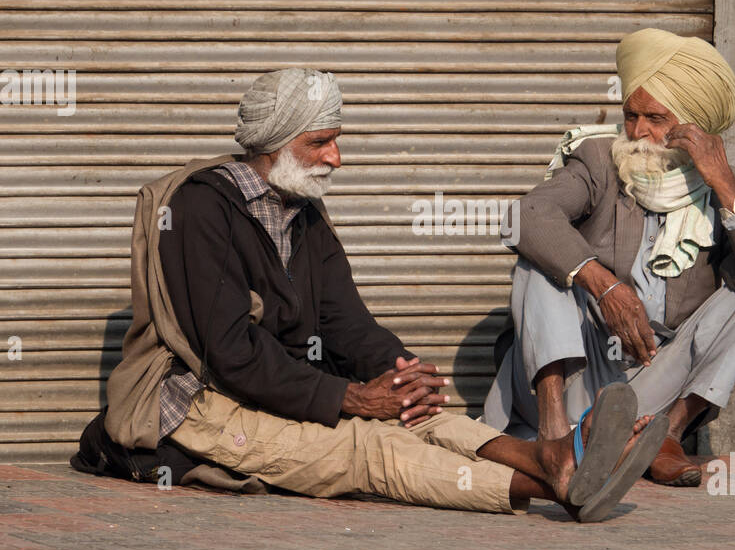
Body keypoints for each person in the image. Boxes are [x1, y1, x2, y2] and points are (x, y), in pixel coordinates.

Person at [95, 67, 667, 522]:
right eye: (321, 143)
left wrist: (400, 374)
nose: (336, 159)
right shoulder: (200, 209)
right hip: (200, 403)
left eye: (336, 142)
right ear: (274, 144)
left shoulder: (302, 213)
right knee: (371, 452)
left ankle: (553, 455)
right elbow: (231, 352)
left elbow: (344, 322)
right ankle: (554, 485)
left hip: (276, 390)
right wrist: (351, 399)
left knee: (425, 420)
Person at [483, 28, 735, 487]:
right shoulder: (598, 159)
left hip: (654, 379)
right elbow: (526, 216)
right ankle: (554, 438)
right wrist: (603, 285)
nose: (638, 132)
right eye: (631, 115)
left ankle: (662, 437)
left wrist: (725, 187)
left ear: (695, 124)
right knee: (542, 261)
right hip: (579, 369)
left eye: (656, 118)